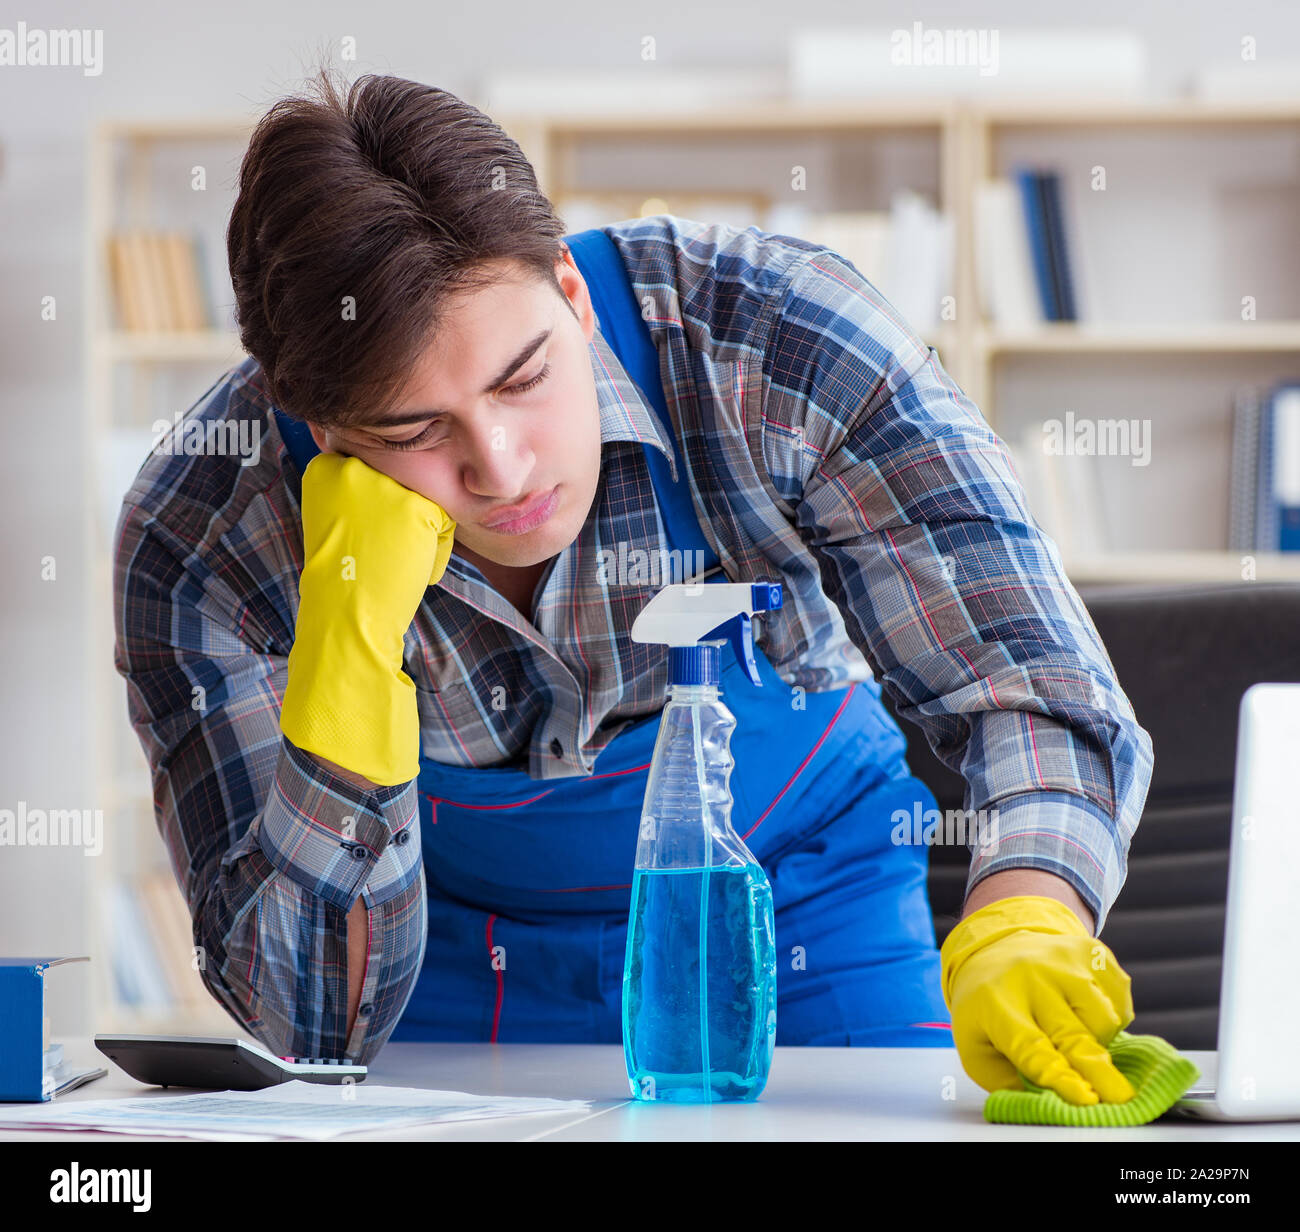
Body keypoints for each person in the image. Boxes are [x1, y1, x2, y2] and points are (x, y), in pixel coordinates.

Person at [113, 69, 1153, 1107]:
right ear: (321, 425)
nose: (504, 468)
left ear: (569, 291)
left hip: (800, 913)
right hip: (441, 960)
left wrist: (1028, 908)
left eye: (523, 379)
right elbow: (296, 1024)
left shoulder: (777, 339)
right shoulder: (204, 529)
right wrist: (343, 651)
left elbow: (1026, 678)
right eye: (414, 430)